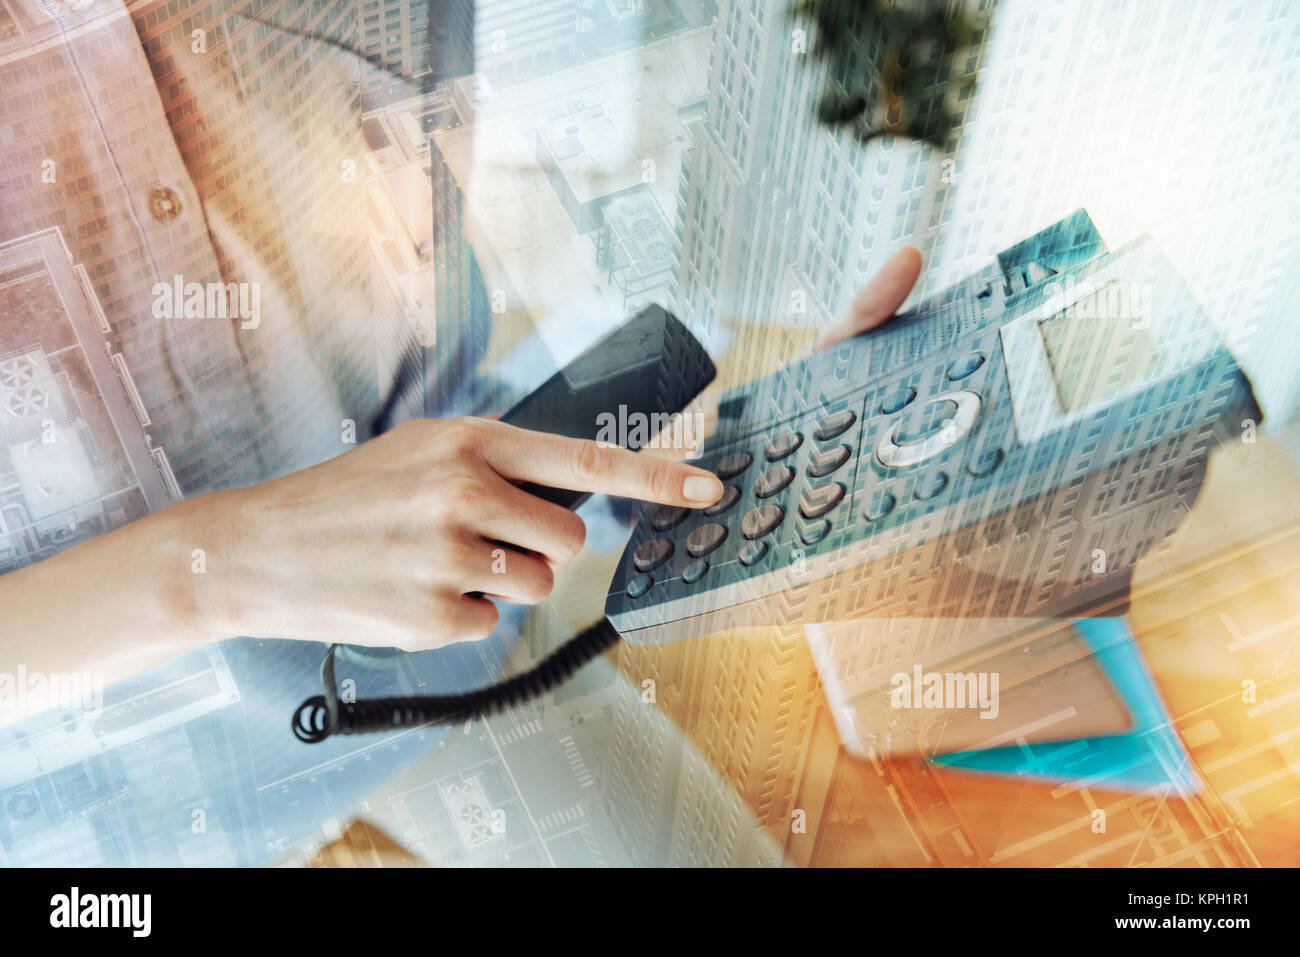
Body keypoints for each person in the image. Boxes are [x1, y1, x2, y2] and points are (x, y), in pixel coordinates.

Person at [0, 0, 920, 864]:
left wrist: (656, 462)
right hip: (85, 821)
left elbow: (425, 382)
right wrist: (217, 567)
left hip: (443, 666)